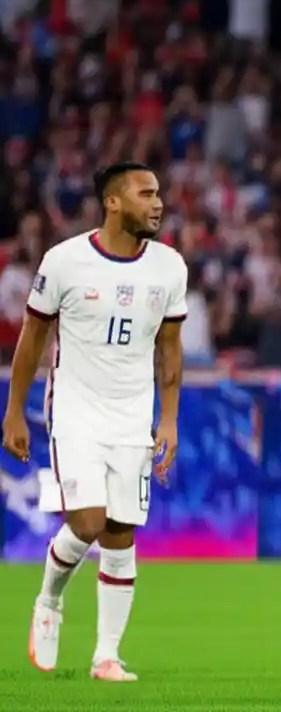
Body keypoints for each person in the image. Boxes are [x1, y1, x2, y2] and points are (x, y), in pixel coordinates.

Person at [5, 162, 187, 682]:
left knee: (121, 531)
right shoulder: (64, 261)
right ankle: (49, 599)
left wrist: (168, 420)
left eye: (159, 193)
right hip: (76, 411)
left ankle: (106, 656)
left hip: (134, 414)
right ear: (112, 201)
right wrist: (15, 410)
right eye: (145, 193)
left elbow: (169, 351)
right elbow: (32, 340)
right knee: (86, 522)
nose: (157, 203)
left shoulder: (170, 267)